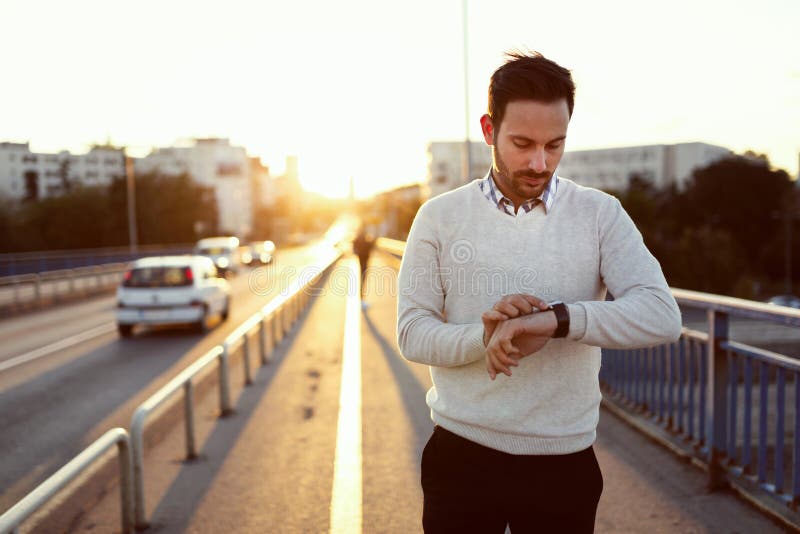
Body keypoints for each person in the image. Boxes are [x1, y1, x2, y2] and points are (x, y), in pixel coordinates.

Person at [396, 51, 682, 533]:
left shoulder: (600, 214)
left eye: (555, 144)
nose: (538, 162)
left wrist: (556, 321)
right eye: (522, 143)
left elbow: (661, 315)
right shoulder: (439, 217)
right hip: (461, 455)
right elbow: (411, 332)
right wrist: (485, 337)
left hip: (563, 463)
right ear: (489, 130)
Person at [352, 224, 374, 307]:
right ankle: (361, 299)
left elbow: (354, 248)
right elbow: (371, 246)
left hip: (362, 260)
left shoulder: (358, 238)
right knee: (362, 279)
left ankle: (361, 299)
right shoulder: (364, 237)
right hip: (363, 261)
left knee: (362, 279)